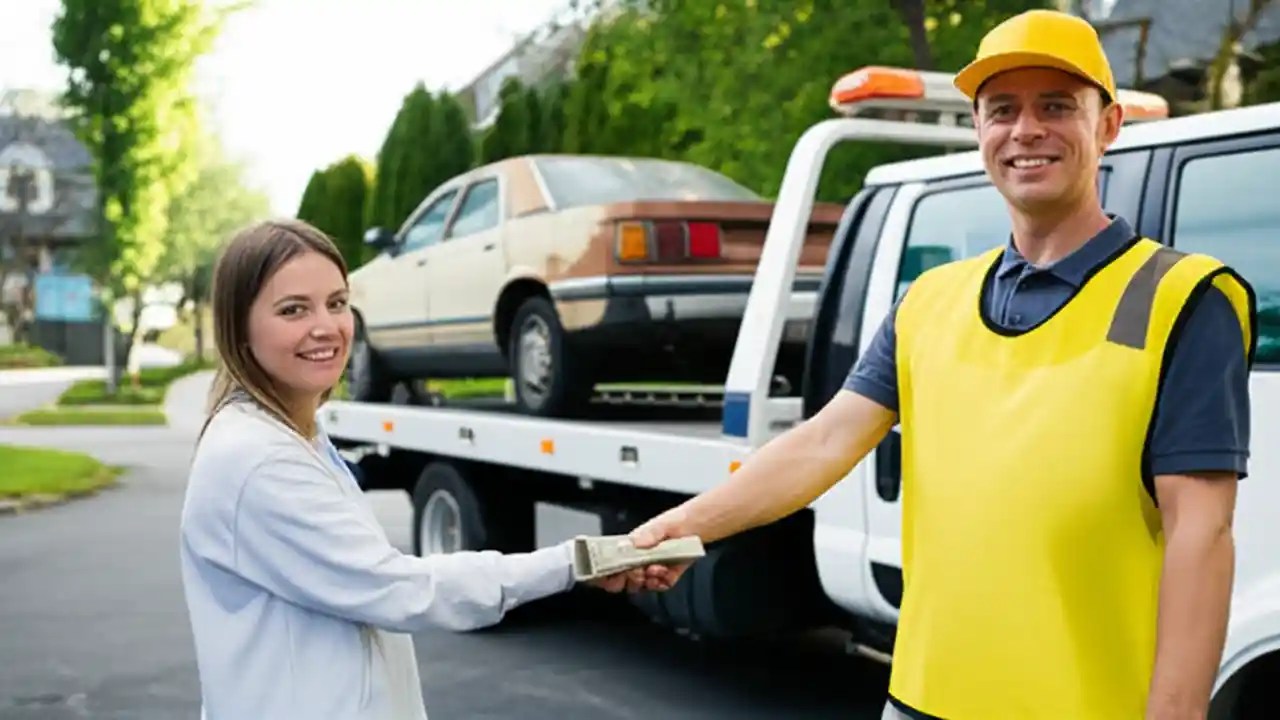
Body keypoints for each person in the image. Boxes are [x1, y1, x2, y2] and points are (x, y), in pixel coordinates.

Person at [625, 9, 1257, 720]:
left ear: (1107, 125)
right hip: (924, 701)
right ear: (978, 131)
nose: (1026, 131)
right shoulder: (931, 301)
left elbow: (1202, 534)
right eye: (1001, 110)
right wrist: (681, 528)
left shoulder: (1183, 298)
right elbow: (824, 443)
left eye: (1057, 106)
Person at [177, 219, 650, 720]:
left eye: (337, 303)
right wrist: (573, 563)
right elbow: (403, 590)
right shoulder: (258, 458)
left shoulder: (289, 434)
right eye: (293, 310)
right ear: (239, 328)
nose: (326, 326)